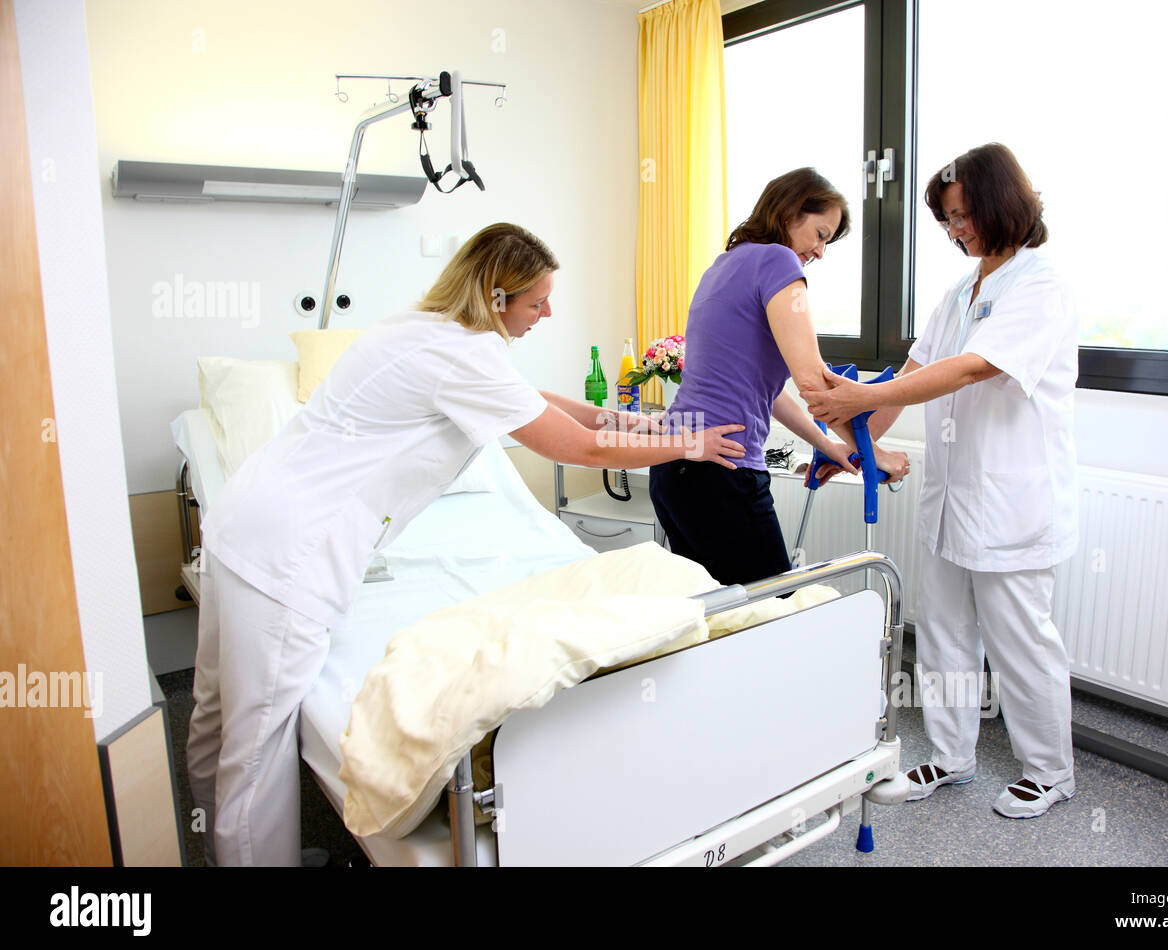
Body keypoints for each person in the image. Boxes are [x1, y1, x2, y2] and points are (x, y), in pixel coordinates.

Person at [186, 223, 748, 866]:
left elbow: (540, 403)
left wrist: (635, 419)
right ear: (497, 294)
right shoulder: (463, 356)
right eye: (537, 301)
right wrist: (688, 443)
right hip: (289, 557)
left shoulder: (422, 328)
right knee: (255, 746)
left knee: (214, 709)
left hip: (243, 524)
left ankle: (208, 842)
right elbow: (580, 449)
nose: (548, 311)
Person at [802, 143, 1081, 819]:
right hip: (954, 499)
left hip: (1013, 502)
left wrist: (856, 402)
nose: (956, 230)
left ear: (999, 202)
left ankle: (1050, 772)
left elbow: (972, 369)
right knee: (944, 633)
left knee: (1021, 641)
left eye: (962, 215)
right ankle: (952, 757)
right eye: (948, 220)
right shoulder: (963, 290)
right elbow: (915, 370)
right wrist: (856, 440)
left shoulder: (1040, 284)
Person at [648, 168, 909, 587]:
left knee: (719, 620)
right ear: (789, 212)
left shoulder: (723, 265)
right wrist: (871, 450)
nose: (821, 252)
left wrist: (826, 442)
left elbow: (766, 391)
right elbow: (812, 381)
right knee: (773, 614)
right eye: (821, 234)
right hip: (722, 472)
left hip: (674, 471)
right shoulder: (777, 260)